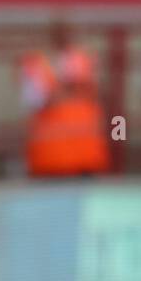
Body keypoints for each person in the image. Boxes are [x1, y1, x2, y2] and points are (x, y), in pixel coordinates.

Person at [18, 20, 110, 177]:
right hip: (49, 160)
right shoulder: (36, 63)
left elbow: (95, 93)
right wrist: (69, 90)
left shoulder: (84, 59)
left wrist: (61, 92)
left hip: (85, 159)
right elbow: (38, 101)